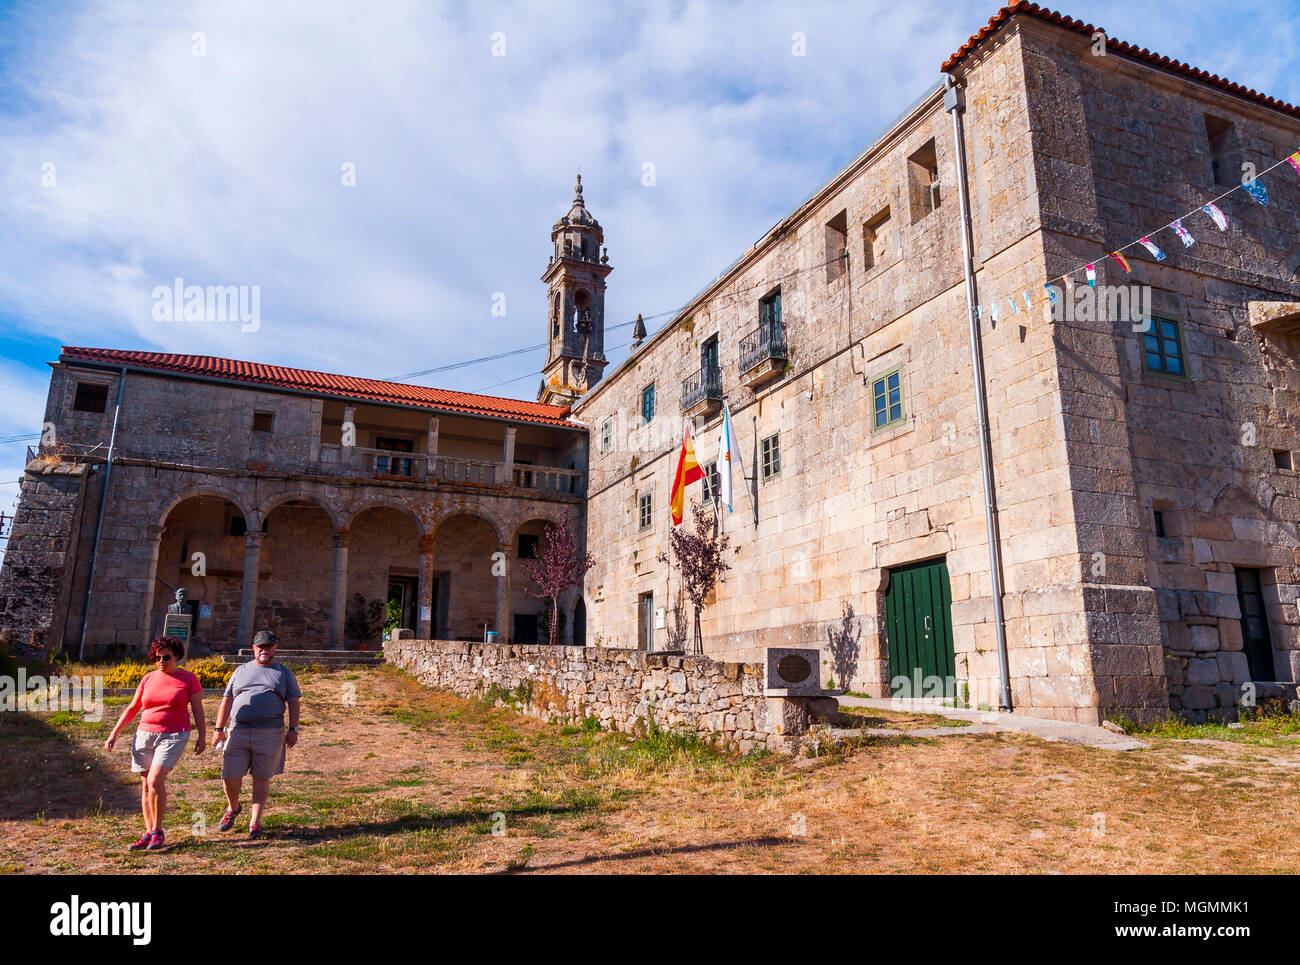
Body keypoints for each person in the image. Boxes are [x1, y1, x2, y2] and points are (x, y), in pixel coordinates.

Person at [104, 636, 206, 851]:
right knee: (145, 785)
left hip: (173, 734)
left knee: (155, 779)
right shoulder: (148, 678)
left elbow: (197, 709)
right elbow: (133, 708)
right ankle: (148, 832)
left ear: (176, 656)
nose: (161, 661)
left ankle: (158, 831)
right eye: (157, 657)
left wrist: (202, 735)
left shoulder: (188, 679)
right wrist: (114, 734)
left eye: (166, 657)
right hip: (145, 734)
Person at [213, 630, 301, 839]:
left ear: (275, 647)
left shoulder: (283, 673)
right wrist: (218, 729)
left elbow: (294, 702)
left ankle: (255, 821)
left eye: (268, 646)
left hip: (270, 732)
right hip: (238, 730)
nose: (264, 650)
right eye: (260, 646)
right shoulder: (241, 671)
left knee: (261, 777)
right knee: (230, 775)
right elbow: (227, 700)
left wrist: (293, 729)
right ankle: (233, 808)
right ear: (253, 648)